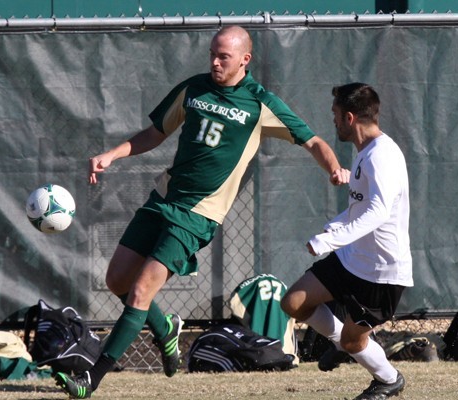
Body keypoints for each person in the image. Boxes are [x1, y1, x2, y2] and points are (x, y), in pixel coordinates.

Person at [54, 25, 350, 398]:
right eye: (212, 54)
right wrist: (112, 154)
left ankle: (91, 380)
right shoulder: (194, 88)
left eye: (224, 56)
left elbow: (313, 141)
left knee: (141, 291)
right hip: (163, 199)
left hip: (198, 215)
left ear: (245, 59)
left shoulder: (260, 103)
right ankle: (166, 329)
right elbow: (155, 132)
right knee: (118, 280)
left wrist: (334, 168)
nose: (215, 62)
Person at [280, 83, 412, 400]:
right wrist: (332, 227)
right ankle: (344, 345)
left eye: (335, 115)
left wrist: (331, 240)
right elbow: (363, 206)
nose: (334, 121)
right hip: (353, 259)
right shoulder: (367, 153)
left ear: (349, 118)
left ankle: (388, 379)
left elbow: (379, 212)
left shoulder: (382, 156)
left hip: (380, 272)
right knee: (294, 302)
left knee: (354, 341)